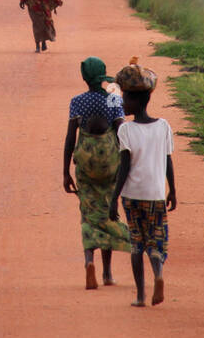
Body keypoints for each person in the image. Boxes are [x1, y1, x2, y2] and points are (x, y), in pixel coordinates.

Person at [109, 58, 175, 307]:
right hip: (156, 193)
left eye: (125, 98)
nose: (122, 102)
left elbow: (124, 168)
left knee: (137, 242)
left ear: (136, 101)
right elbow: (168, 161)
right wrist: (173, 190)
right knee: (156, 240)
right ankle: (158, 274)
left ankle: (140, 295)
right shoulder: (163, 126)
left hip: (132, 195)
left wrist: (114, 198)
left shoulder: (125, 130)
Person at [63, 57, 132, 289]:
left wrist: (65, 172)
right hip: (110, 163)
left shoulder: (77, 102)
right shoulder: (113, 100)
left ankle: (88, 261)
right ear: (103, 77)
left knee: (88, 212)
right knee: (107, 210)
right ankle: (107, 273)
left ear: (84, 78)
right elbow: (122, 131)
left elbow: (70, 138)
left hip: (85, 164)